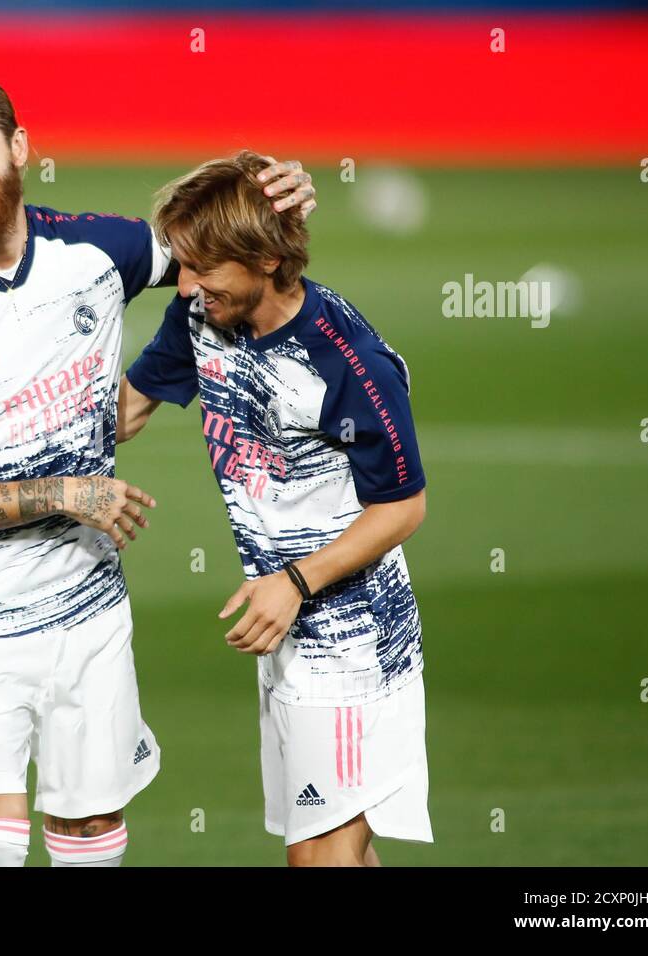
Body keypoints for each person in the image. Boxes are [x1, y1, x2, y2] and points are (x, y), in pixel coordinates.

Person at [0, 75, 317, 867]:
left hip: (87, 607)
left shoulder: (98, 251)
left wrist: (281, 193)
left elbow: (221, 249)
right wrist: (63, 494)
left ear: (19, 148)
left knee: (88, 837)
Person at [121, 150, 429, 866]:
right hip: (290, 631)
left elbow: (404, 506)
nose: (187, 285)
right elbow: (125, 413)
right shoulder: (203, 316)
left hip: (352, 639)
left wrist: (294, 583)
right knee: (337, 856)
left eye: (203, 268)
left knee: (318, 857)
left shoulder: (345, 360)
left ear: (264, 258)